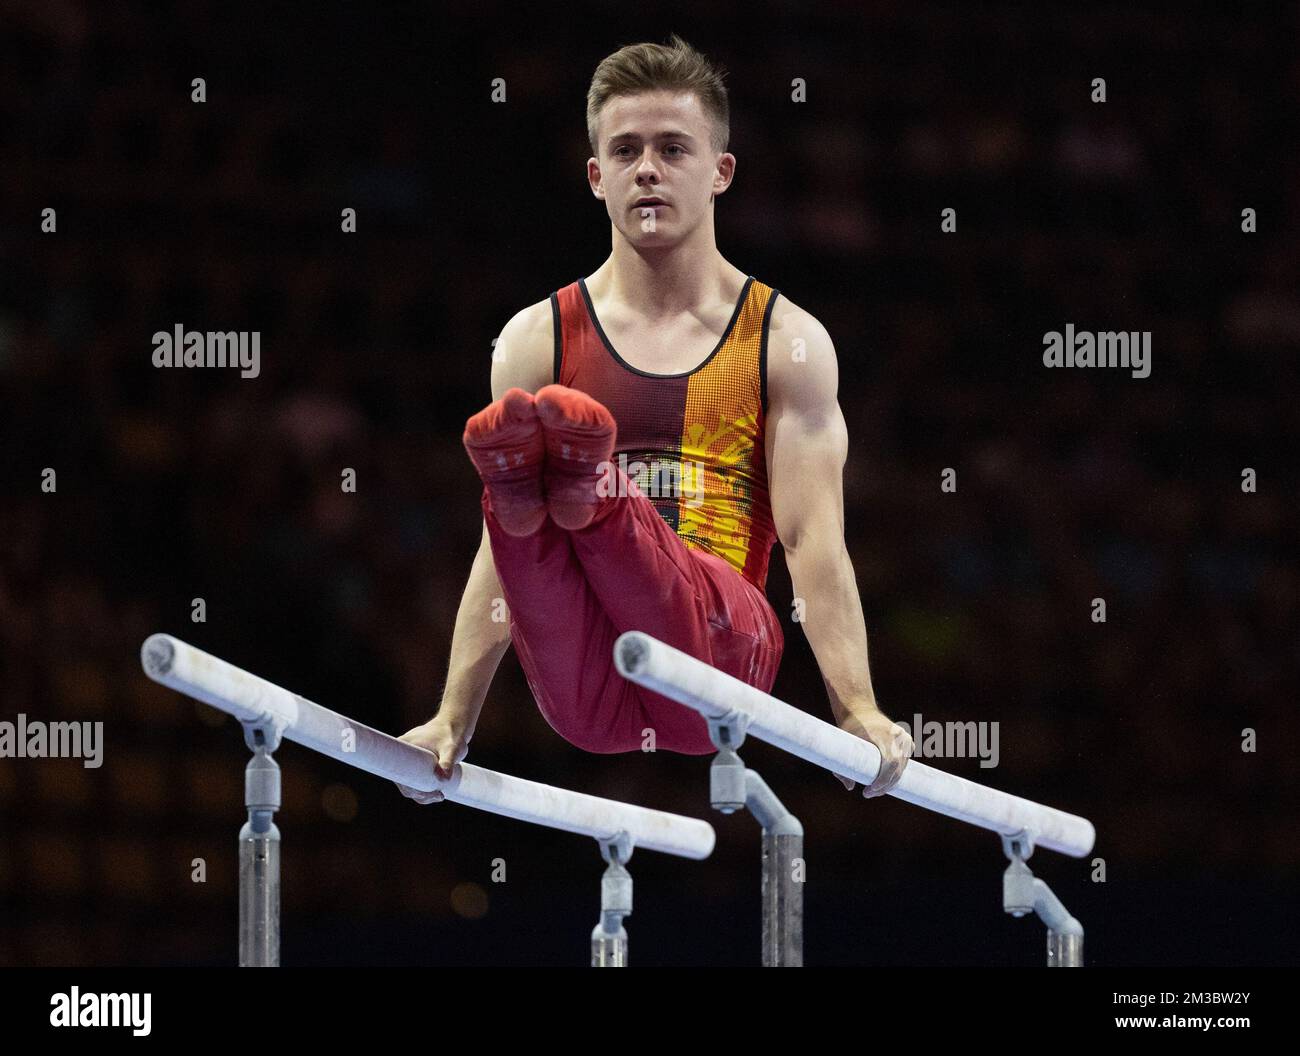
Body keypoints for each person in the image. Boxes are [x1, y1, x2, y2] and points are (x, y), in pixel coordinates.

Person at [397, 34, 912, 804]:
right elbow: (495, 562)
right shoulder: (537, 338)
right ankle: (560, 489)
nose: (648, 168)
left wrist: (857, 708)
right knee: (519, 528)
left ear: (720, 172)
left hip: (722, 662)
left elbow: (812, 541)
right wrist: (450, 720)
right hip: (587, 692)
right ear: (596, 177)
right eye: (627, 150)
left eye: (674, 148)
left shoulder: (785, 341)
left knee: (576, 505)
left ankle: (591, 490)